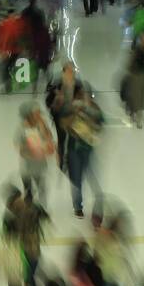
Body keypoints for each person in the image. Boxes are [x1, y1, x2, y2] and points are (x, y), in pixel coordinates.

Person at [61, 83, 105, 220]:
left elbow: (100, 126)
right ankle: (78, 206)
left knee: (94, 180)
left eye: (85, 94)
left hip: (88, 149)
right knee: (77, 180)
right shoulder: (70, 108)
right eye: (80, 94)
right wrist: (75, 114)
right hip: (74, 150)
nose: (82, 97)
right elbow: (64, 125)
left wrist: (89, 120)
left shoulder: (94, 108)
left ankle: (97, 211)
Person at [15, 100, 55, 205]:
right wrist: (31, 152)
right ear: (29, 115)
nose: (39, 114)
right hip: (27, 167)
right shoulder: (21, 128)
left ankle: (42, 211)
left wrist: (43, 126)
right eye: (36, 112)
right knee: (29, 192)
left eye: (39, 112)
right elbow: (20, 149)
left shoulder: (41, 125)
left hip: (40, 165)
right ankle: (29, 213)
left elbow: (49, 138)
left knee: (42, 190)